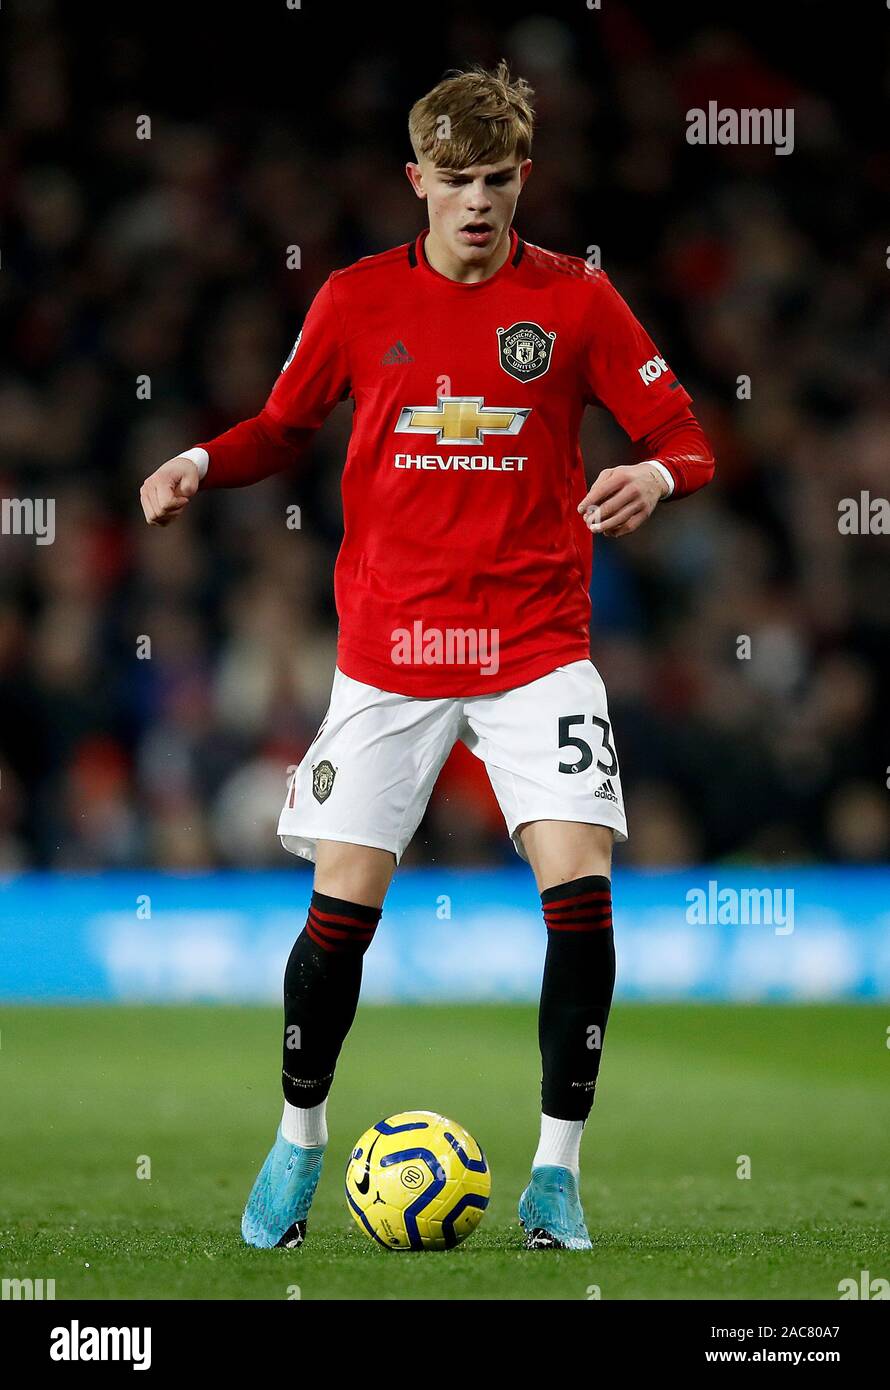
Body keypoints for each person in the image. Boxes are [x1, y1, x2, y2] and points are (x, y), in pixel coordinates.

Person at [140, 62, 715, 1250]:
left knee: (581, 900)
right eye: (453, 181)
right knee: (339, 908)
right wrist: (202, 457)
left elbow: (685, 434)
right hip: (390, 653)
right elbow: (281, 427)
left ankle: (554, 1174)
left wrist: (653, 474)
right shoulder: (355, 301)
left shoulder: (575, 302)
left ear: (522, 181)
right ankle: (298, 1141)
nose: (476, 204)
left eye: (496, 181)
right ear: (416, 180)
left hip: (535, 646)